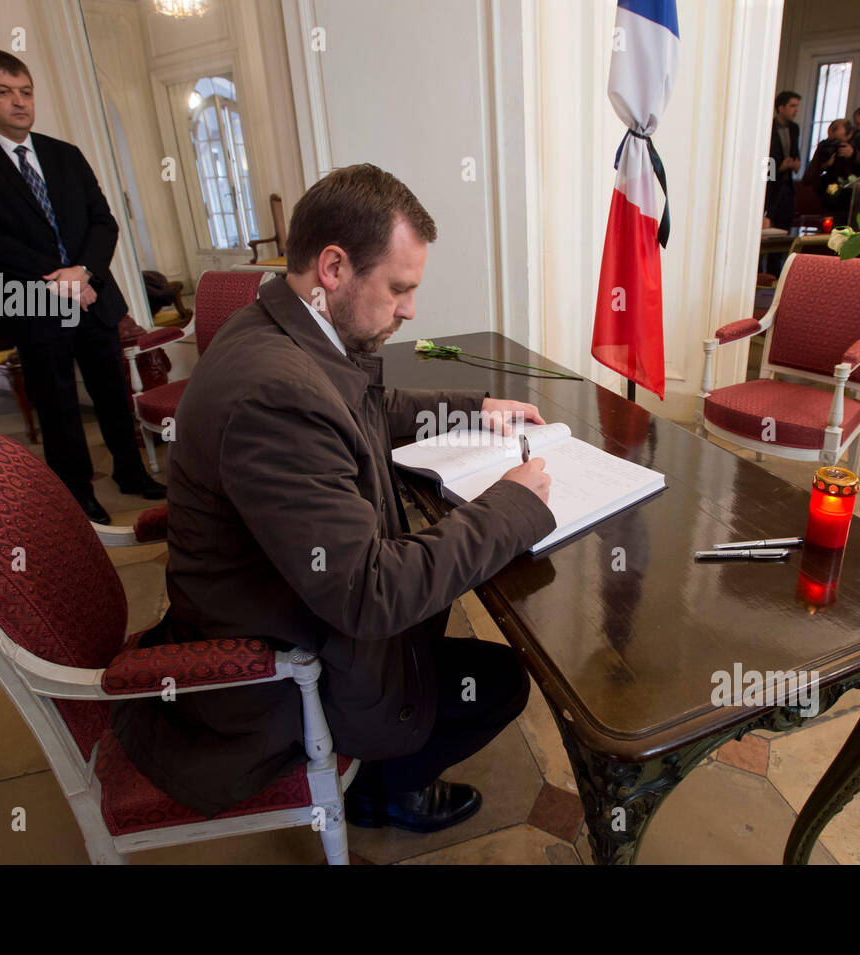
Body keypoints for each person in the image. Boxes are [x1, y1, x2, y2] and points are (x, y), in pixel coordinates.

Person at [110, 163, 558, 833]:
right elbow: (371, 593)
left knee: (444, 622)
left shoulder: (278, 326)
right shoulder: (274, 395)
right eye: (400, 288)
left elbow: (365, 403)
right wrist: (514, 504)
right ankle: (380, 794)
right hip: (273, 677)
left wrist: (473, 407)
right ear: (333, 267)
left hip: (280, 609)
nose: (410, 310)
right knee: (501, 681)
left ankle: (384, 771)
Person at [0, 48, 164, 523]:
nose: (19, 102)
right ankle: (76, 491)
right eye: (4, 92)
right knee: (57, 403)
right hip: (28, 299)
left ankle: (131, 472)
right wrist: (58, 278)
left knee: (112, 392)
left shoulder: (65, 155)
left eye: (26, 92)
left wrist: (85, 273)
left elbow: (103, 222)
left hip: (92, 291)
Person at [803, 118, 855, 223]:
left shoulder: (854, 148)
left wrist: (853, 155)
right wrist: (823, 166)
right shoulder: (825, 146)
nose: (832, 133)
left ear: (849, 135)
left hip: (849, 202)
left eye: (836, 129)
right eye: (831, 129)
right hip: (827, 201)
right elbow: (807, 178)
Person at [765, 91, 802, 230]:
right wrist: (779, 168)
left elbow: (795, 152)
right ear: (781, 108)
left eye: (797, 106)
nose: (796, 110)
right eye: (792, 106)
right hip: (771, 185)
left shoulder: (794, 128)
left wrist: (796, 164)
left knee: (786, 227)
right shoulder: (769, 127)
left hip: (788, 186)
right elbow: (765, 158)